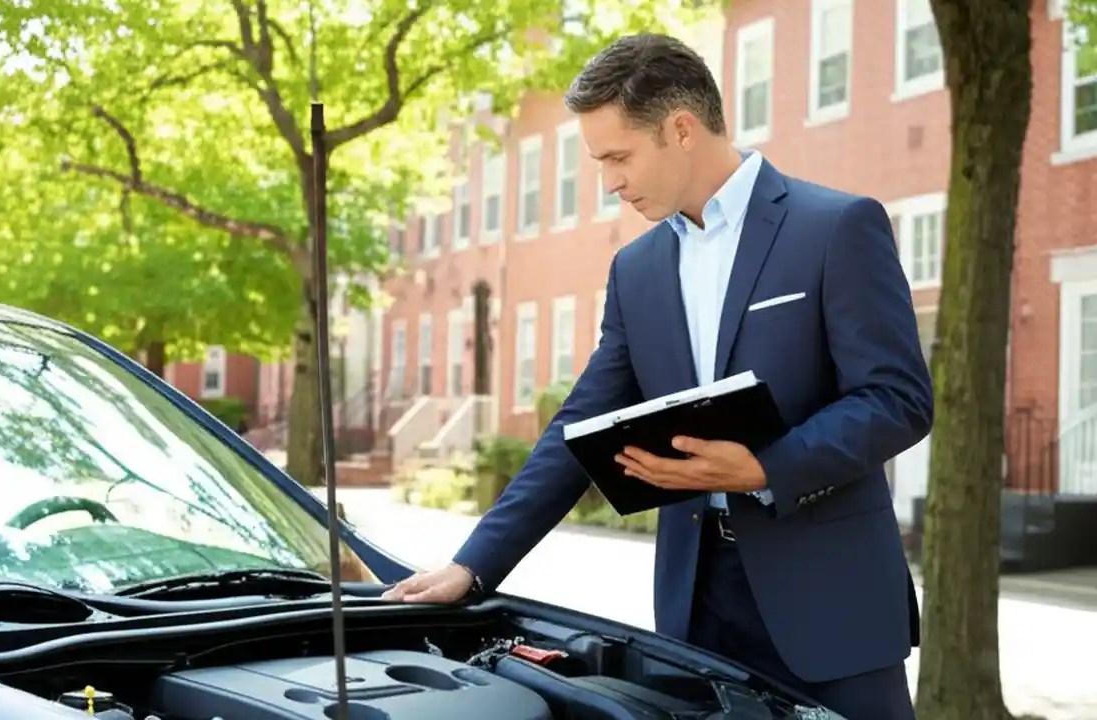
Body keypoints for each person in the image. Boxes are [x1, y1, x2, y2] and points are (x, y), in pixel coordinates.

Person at [382, 32, 931, 720]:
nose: (610, 181)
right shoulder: (636, 270)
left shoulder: (835, 228)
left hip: (832, 608)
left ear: (680, 130)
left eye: (618, 157)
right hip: (694, 609)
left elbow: (898, 399)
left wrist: (765, 466)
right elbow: (577, 427)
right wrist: (473, 565)